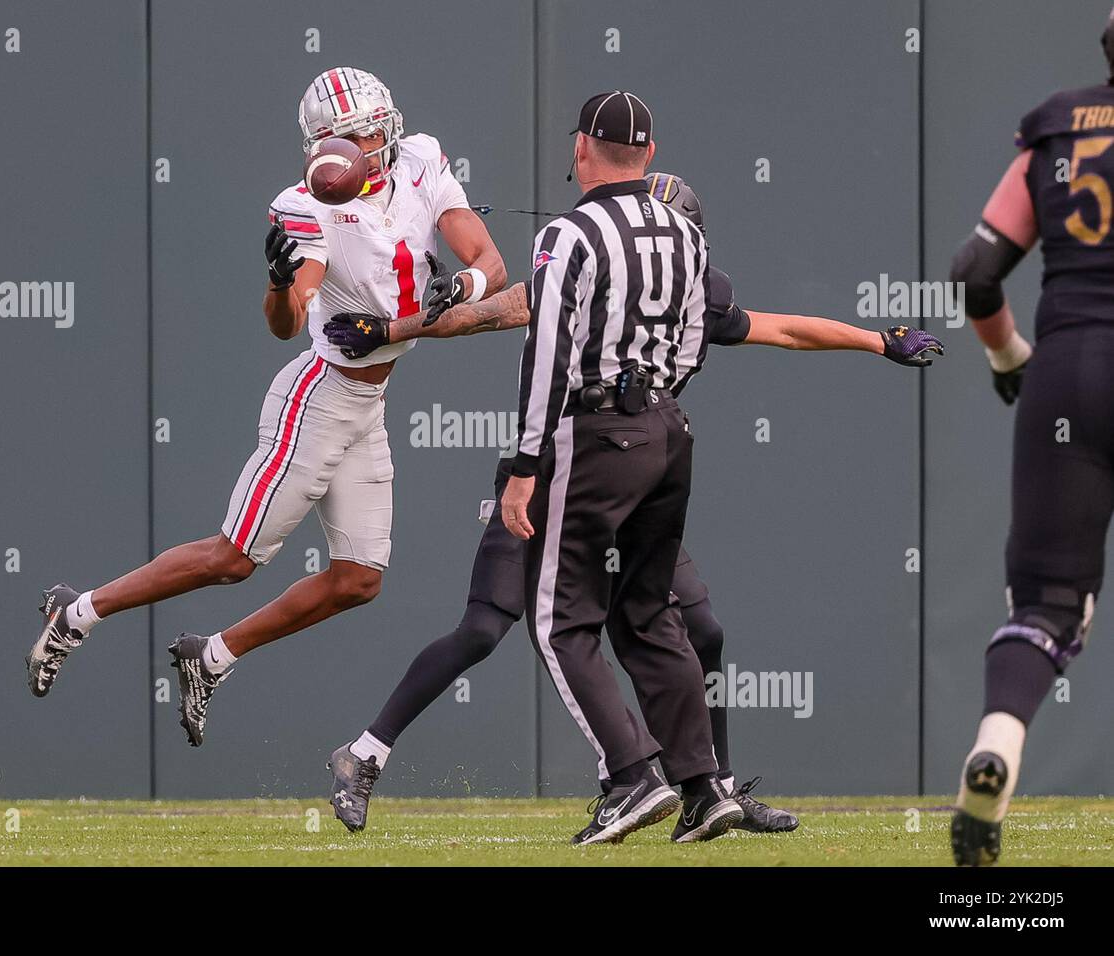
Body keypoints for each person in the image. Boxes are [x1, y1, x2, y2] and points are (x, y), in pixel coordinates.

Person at [324, 172, 943, 836]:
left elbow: (784, 329)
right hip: (555, 473)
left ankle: (712, 790)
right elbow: (488, 312)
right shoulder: (585, 273)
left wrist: (879, 341)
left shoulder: (692, 291)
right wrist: (390, 328)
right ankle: (367, 754)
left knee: (698, 629)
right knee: (485, 628)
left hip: (629, 481)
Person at [23, 67, 506, 750]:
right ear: (331, 147)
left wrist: (465, 282)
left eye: (380, 120)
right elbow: (288, 319)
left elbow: (490, 258)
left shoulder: (422, 157)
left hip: (371, 401)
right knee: (233, 559)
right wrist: (280, 284)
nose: (382, 133)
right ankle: (76, 613)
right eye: (366, 128)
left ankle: (212, 656)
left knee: (358, 580)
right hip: (322, 394)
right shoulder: (307, 206)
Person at [949, 10, 1114, 866]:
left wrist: (1010, 355)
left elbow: (975, 272)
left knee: (1047, 604)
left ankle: (1000, 749)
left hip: (1070, 367)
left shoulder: (1058, 125)